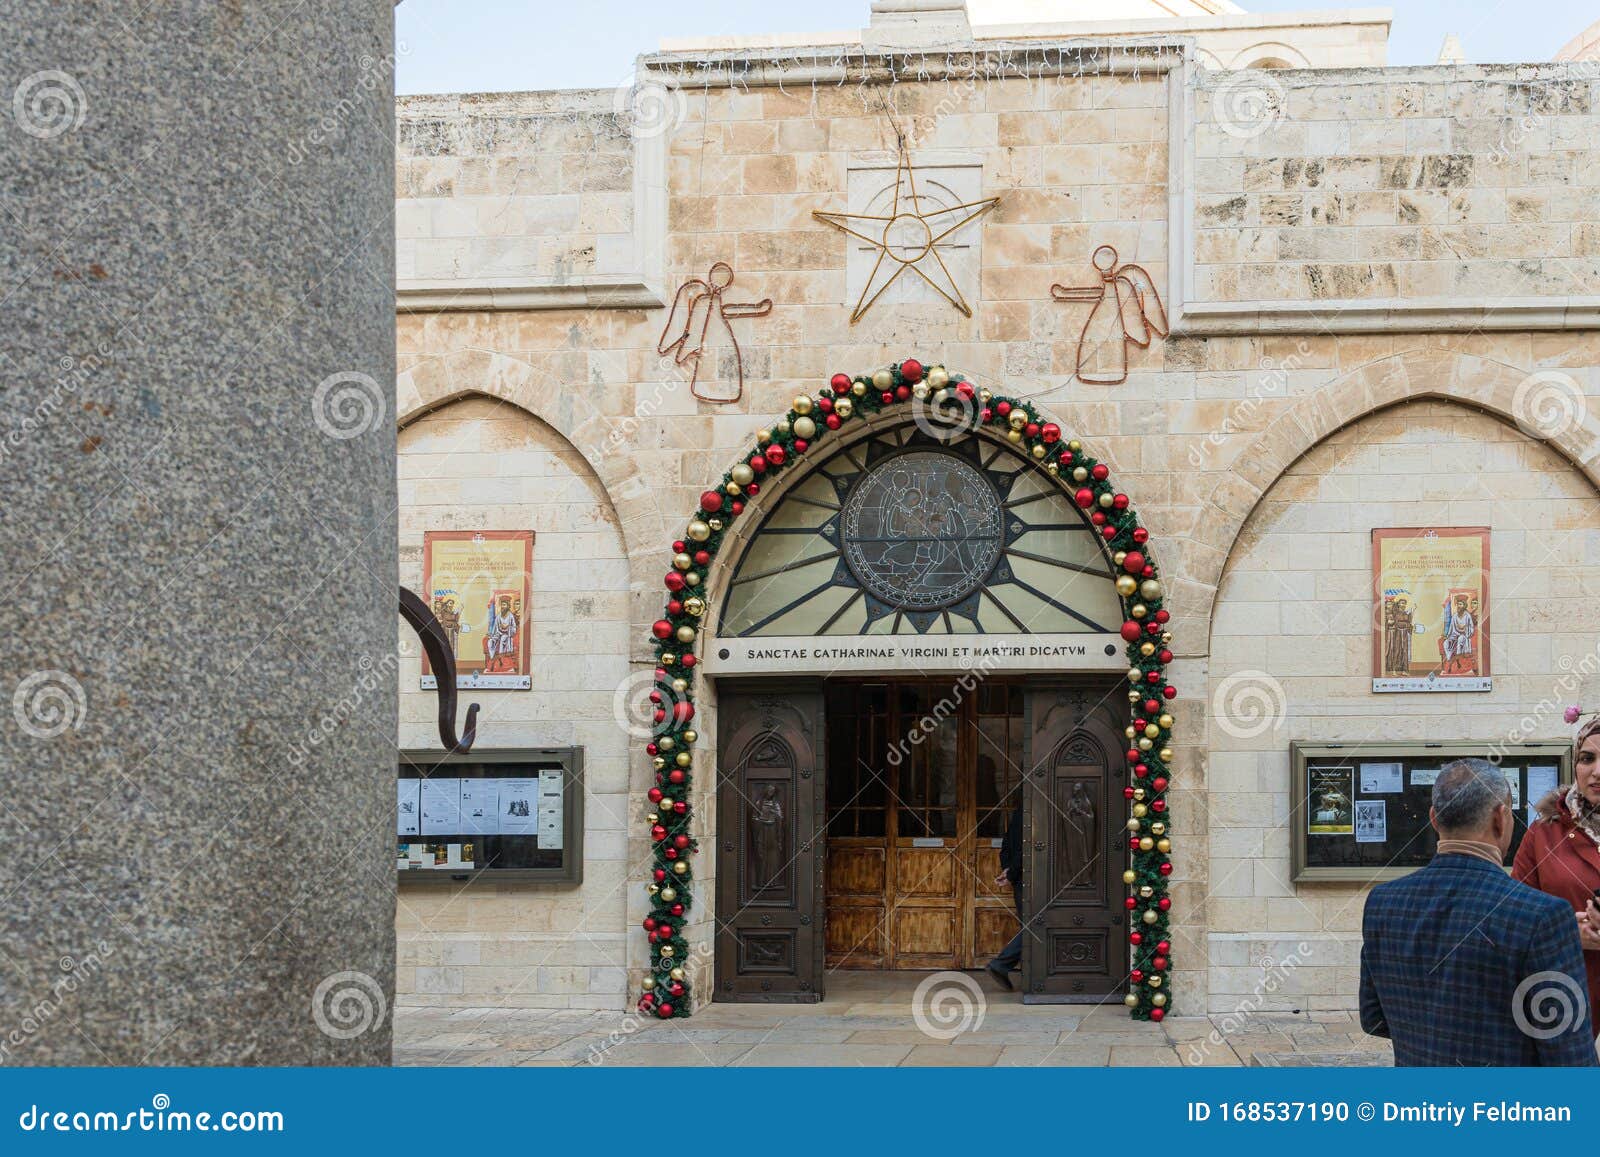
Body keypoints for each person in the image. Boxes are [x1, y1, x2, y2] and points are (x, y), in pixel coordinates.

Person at [1360, 758, 1596, 1065]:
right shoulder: (1541, 915)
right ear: (1501, 818)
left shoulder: (1383, 902)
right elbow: (1571, 1056)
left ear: (1434, 818)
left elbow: (1373, 1017)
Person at [1514, 715, 1600, 1039]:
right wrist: (1565, 935)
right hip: (1566, 1000)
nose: (1597, 772)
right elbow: (1513, 916)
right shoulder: (1543, 834)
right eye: (1587, 758)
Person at [985, 804, 1024, 991]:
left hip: (1019, 877)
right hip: (1031, 878)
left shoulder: (1020, 810)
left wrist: (1008, 869)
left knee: (1031, 926)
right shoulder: (1034, 807)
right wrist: (1011, 872)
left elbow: (1007, 843)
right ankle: (1001, 964)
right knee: (1036, 926)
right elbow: (1027, 846)